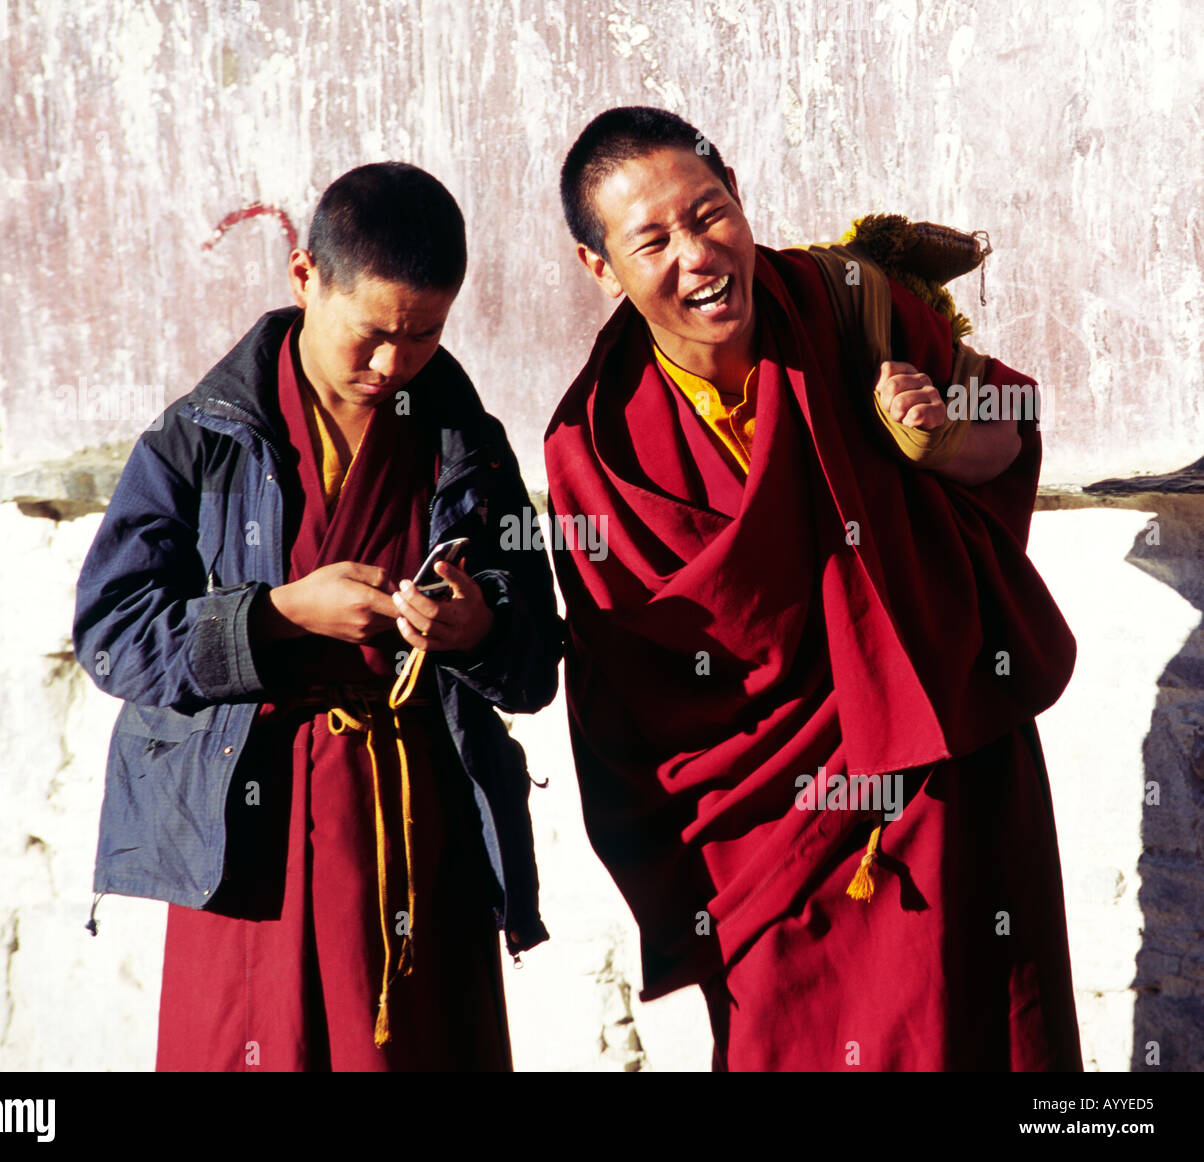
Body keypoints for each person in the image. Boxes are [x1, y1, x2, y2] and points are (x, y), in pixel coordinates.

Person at [544, 106, 1081, 1071]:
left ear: (739, 197)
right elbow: (621, 697)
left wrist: (942, 438)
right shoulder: (593, 448)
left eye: (710, 215)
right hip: (764, 839)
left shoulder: (843, 300)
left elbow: (1006, 421)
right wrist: (673, 884)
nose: (699, 255)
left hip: (942, 771)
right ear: (601, 269)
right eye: (653, 240)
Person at [74, 162, 562, 1072]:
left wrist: (478, 629)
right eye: (371, 335)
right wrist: (280, 615)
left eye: (423, 337)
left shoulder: (466, 444)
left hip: (416, 832)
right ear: (304, 278)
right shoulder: (201, 437)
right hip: (248, 837)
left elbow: (536, 663)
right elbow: (113, 635)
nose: (393, 365)